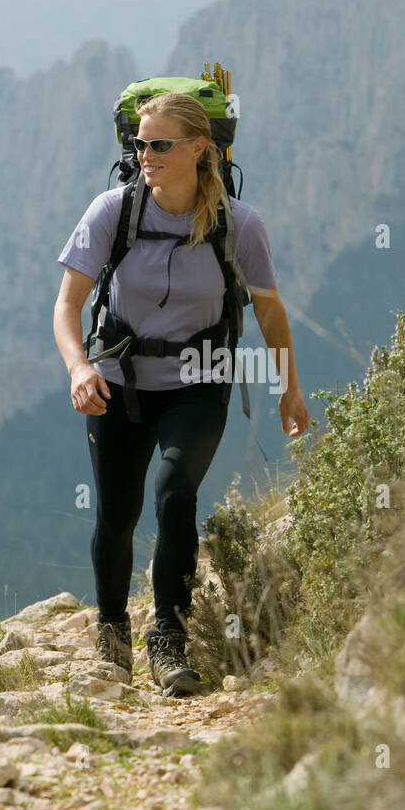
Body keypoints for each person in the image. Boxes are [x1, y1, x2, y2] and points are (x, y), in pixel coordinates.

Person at [53, 92, 309, 696]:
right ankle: (112, 634)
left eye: (161, 145)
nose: (146, 155)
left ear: (201, 149)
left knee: (173, 494)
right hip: (118, 382)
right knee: (116, 514)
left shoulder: (240, 225)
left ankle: (167, 635)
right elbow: (67, 305)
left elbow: (272, 314)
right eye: (140, 144)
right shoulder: (111, 212)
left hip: (201, 378)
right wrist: (77, 369)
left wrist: (289, 389)